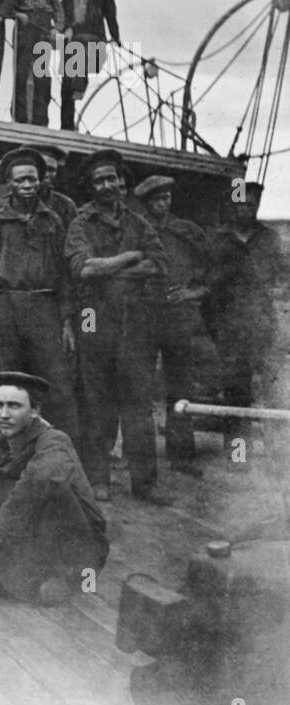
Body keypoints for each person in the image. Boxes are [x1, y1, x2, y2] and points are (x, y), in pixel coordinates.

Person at [0, 371, 107, 606]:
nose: (4, 414)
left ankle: (56, 576)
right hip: (20, 534)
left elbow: (41, 481)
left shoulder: (54, 440)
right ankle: (13, 574)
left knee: (48, 488)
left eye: (14, 406)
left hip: (70, 538)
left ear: (34, 410)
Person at [65, 150, 169, 504]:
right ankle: (99, 480)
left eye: (112, 178)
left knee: (139, 408)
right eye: (99, 180)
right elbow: (84, 270)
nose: (107, 185)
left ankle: (145, 484)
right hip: (93, 320)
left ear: (121, 182)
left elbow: (159, 265)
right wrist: (129, 257)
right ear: (90, 186)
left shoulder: (139, 223)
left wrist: (110, 266)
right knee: (97, 404)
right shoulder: (80, 224)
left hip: (134, 323)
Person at [0, 148, 80, 455]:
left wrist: (67, 322)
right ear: (9, 183)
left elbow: (63, 277)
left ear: (40, 180)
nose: (27, 185)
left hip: (45, 308)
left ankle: (62, 456)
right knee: (8, 385)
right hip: (7, 308)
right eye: (20, 180)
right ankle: (9, 457)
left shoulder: (53, 220)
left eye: (32, 178)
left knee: (58, 388)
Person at [136, 175, 219, 477]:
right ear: (146, 203)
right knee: (139, 388)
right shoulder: (135, 230)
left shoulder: (187, 232)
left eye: (166, 198)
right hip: (141, 318)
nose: (162, 204)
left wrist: (192, 292)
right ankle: (141, 459)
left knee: (180, 386)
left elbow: (213, 273)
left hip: (177, 318)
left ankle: (181, 455)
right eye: (156, 200)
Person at [208, 180, 286, 428]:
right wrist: (217, 329)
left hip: (265, 329)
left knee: (275, 395)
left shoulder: (270, 238)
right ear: (231, 207)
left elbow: (281, 276)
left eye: (250, 205)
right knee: (236, 398)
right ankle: (238, 458)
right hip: (231, 332)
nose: (244, 211)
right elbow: (207, 286)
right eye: (239, 205)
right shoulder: (218, 241)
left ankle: (279, 458)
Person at [2, 0, 64, 126]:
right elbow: (7, 4)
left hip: (44, 26)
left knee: (42, 75)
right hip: (24, 26)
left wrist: (57, 28)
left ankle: (40, 120)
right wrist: (16, 14)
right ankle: (19, 118)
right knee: (21, 73)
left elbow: (58, 8)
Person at [60, 0, 120, 131]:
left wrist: (116, 37)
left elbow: (111, 14)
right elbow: (64, 16)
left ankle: (80, 84)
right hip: (75, 38)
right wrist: (67, 28)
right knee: (66, 85)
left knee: (80, 60)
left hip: (95, 38)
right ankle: (66, 127)